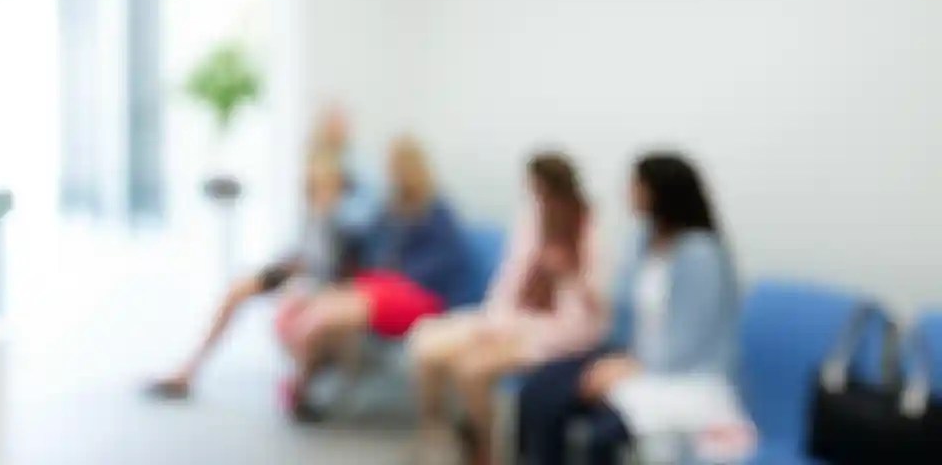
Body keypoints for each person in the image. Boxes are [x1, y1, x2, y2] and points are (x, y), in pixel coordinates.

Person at [520, 154, 746, 465]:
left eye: (636, 186)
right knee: (540, 390)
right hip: (632, 352)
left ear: (661, 193)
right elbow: (623, 311)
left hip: (683, 375)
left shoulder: (702, 254)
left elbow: (689, 342)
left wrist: (629, 367)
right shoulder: (643, 238)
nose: (628, 193)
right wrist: (608, 356)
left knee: (602, 435)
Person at [145, 108, 371, 400]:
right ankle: (187, 371)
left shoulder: (358, 186)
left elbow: (341, 249)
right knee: (238, 289)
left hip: (329, 277)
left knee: (297, 303)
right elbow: (302, 242)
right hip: (298, 266)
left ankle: (301, 387)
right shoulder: (313, 175)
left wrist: (332, 208)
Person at [409, 153, 607, 465]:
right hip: (515, 317)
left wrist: (568, 274)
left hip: (558, 331)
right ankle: (441, 437)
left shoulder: (586, 223)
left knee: (470, 370)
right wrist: (496, 323)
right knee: (426, 346)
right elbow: (510, 275)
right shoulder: (532, 217)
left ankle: (486, 452)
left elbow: (596, 305)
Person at [279, 136, 470, 421]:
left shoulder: (437, 211)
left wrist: (397, 275)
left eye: (397, 168)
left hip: (419, 296)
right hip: (383, 287)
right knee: (321, 307)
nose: (392, 176)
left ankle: (300, 385)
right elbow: (369, 248)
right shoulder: (390, 211)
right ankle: (305, 384)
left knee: (330, 314)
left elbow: (444, 264)